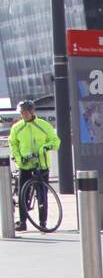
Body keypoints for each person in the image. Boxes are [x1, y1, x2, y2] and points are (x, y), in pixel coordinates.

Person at [9, 99, 60, 231]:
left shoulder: (43, 125)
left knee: (42, 194)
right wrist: (19, 159)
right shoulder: (17, 127)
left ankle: (42, 222)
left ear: (32, 111)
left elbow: (55, 141)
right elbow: (13, 144)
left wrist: (45, 147)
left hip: (41, 165)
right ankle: (22, 222)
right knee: (22, 194)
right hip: (25, 165)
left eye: (26, 112)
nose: (24, 115)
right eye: (21, 112)